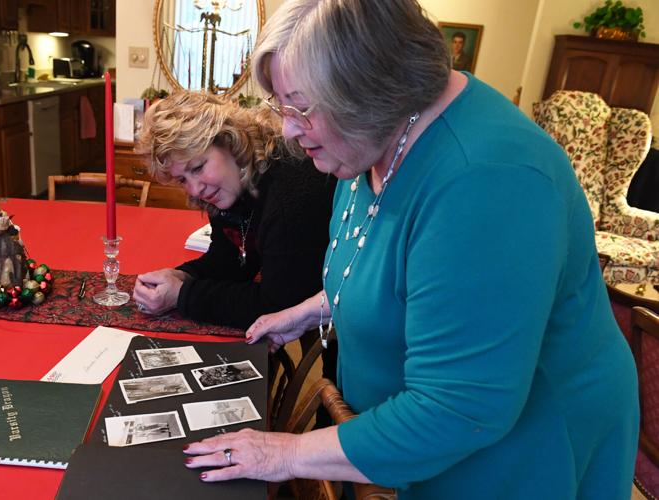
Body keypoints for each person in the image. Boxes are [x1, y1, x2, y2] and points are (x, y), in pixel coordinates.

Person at [181, 1, 639, 498]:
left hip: (523, 452)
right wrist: (310, 311)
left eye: (302, 107)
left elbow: (458, 407)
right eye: (281, 107)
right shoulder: (369, 139)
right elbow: (395, 272)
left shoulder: (487, 181)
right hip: (419, 438)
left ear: (372, 87)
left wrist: (283, 453)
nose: (289, 128)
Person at [131, 91, 335, 330]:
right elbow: (231, 261)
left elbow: (279, 305)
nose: (195, 189)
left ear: (229, 141)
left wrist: (183, 294)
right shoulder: (231, 185)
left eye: (197, 167)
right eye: (182, 179)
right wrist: (182, 276)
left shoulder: (289, 193)